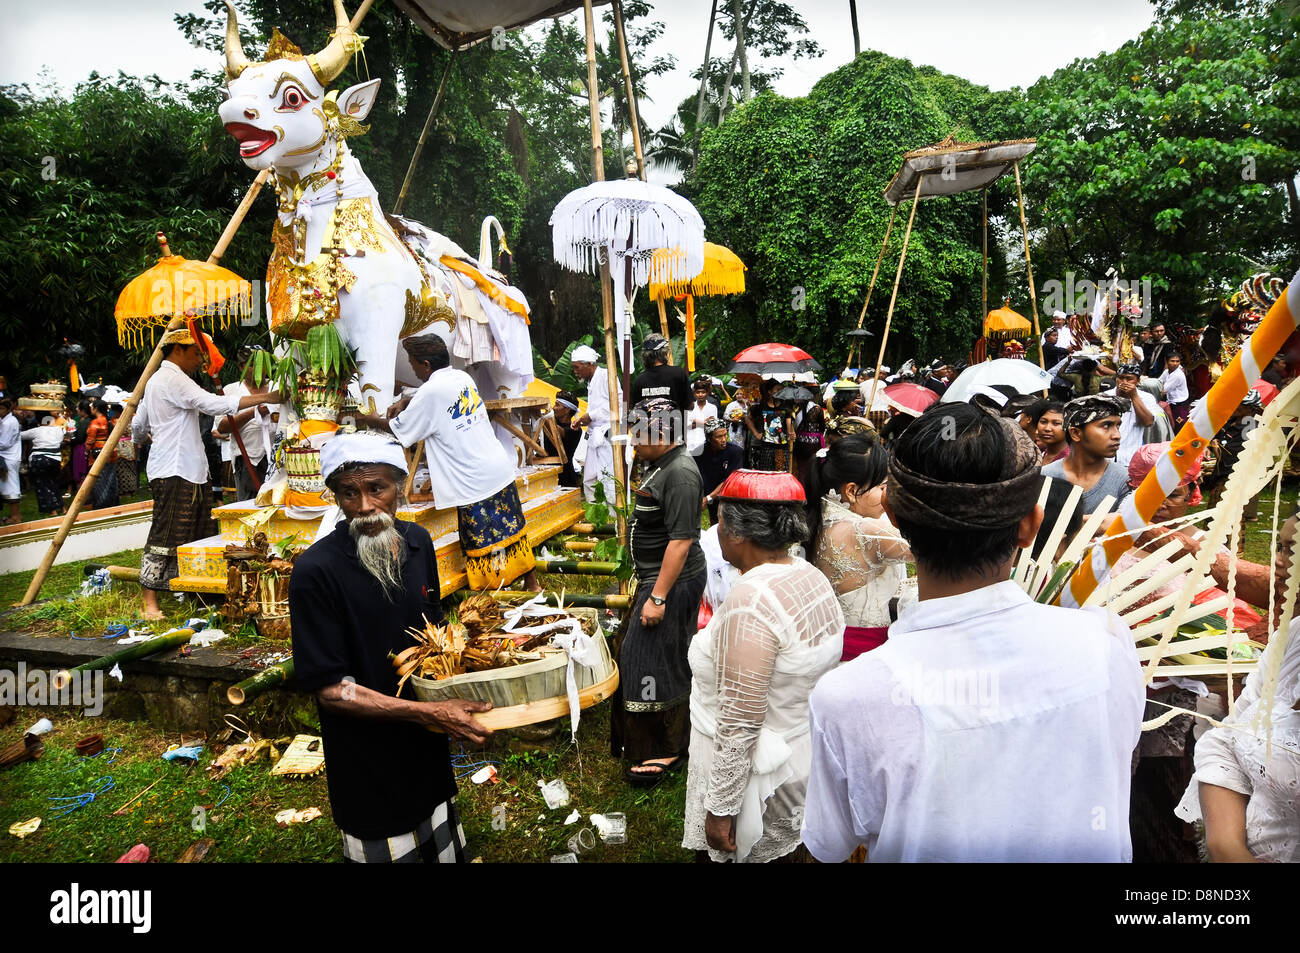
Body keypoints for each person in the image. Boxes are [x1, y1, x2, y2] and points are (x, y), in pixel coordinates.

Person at [801, 402, 1144, 862]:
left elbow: (829, 845)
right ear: (1029, 526)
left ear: (892, 516)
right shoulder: (1107, 644)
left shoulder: (849, 697)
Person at [289, 432, 492, 863]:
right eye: (348, 493)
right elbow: (330, 691)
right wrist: (431, 712)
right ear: (336, 497)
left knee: (437, 828)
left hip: (427, 743)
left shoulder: (419, 543)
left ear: (400, 485)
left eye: (376, 489)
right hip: (365, 751)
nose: (364, 507)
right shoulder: (314, 571)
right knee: (385, 838)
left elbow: (432, 636)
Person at [683, 468, 844, 862]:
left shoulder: (751, 601)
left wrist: (721, 810)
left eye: (718, 522)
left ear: (736, 532)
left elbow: (740, 720)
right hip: (799, 756)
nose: (716, 532)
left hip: (760, 782)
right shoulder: (809, 574)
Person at [363, 334, 540, 592]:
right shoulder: (461, 377)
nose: (413, 369)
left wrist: (364, 418)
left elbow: (397, 429)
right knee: (513, 528)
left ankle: (488, 595)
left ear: (425, 364)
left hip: (473, 478)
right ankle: (531, 583)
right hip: (498, 468)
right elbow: (438, 398)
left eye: (413, 364)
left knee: (479, 539)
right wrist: (407, 400)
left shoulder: (431, 391)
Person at [1173, 513, 1300, 862]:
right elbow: (1227, 737)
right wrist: (1227, 846)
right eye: (1279, 545)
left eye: (1292, 549)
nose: (1276, 560)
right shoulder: (1292, 637)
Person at [133, 325, 279, 620]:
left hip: (189, 468)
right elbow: (214, 405)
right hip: (174, 468)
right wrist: (268, 398)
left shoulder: (160, 381)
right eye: (196, 352)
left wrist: (143, 440)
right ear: (178, 350)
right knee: (166, 533)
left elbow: (138, 426)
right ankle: (149, 602)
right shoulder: (170, 379)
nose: (201, 359)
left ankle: (198, 595)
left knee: (198, 533)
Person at [613, 398, 708, 785]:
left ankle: (666, 747)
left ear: (662, 433)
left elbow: (682, 541)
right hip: (658, 580)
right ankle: (652, 742)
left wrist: (658, 597)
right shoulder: (661, 465)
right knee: (649, 653)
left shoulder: (681, 473)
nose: (634, 443)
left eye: (639, 436)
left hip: (672, 582)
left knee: (649, 657)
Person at [808, 435, 913, 661]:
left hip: (825, 646)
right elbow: (938, 548)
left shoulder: (816, 520)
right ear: (851, 491)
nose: (888, 495)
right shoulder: (866, 530)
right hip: (866, 650)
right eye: (883, 486)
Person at [1041, 394, 1132, 515]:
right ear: (1076, 433)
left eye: (1117, 426)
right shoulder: (1044, 477)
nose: (1117, 435)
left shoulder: (1125, 481)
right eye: (1106, 426)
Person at [216, 347, 274, 502]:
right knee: (251, 507)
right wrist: (252, 413)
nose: (258, 369)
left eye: (262, 363)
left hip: (278, 459)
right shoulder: (231, 390)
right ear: (240, 367)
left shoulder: (277, 387)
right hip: (248, 460)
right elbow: (221, 427)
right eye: (252, 364)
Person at [569, 345, 622, 510]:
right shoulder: (591, 382)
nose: (575, 371)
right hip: (594, 435)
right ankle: (595, 515)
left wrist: (590, 416)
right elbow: (597, 409)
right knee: (590, 478)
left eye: (577, 368)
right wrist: (583, 420)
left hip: (607, 434)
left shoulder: (607, 376)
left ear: (588, 365)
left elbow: (617, 405)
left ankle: (615, 517)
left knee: (608, 478)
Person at [1101, 362, 1164, 466]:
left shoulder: (1147, 398)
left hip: (1130, 459)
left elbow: (1148, 422)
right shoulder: (1105, 397)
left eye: (1129, 379)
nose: (1124, 382)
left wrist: (1134, 396)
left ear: (1138, 381)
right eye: (1121, 378)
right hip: (1105, 459)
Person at [697, 418, 744, 525]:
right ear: (709, 438)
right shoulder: (700, 453)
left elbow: (729, 481)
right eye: (719, 436)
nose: (724, 439)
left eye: (725, 435)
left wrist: (708, 498)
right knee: (714, 525)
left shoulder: (735, 452)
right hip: (710, 496)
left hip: (729, 497)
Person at [629, 333, 691, 412]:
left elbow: (637, 409)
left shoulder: (639, 380)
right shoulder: (678, 373)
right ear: (665, 352)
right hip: (676, 423)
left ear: (645, 355)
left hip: (648, 424)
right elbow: (689, 404)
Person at [20, 415, 68, 516]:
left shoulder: (37, 430)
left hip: (40, 459)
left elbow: (20, 435)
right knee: (53, 483)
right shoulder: (59, 430)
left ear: (41, 423)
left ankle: (52, 510)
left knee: (43, 485)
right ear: (52, 422)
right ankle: (63, 508)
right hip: (55, 460)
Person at [744, 379, 793, 471]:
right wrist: (756, 434)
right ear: (769, 392)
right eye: (777, 390)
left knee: (781, 473)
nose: (780, 392)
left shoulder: (785, 407)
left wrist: (791, 433)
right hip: (766, 447)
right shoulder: (761, 406)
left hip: (782, 448)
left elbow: (789, 424)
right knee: (766, 473)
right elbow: (748, 418)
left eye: (781, 390)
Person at [540, 390, 583, 489]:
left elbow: (557, 431)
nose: (553, 408)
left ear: (567, 410)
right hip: (548, 475)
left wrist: (542, 415)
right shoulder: (549, 423)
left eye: (557, 405)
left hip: (565, 477)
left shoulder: (575, 429)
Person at [84, 400, 120, 510]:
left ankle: (101, 502)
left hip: (98, 452)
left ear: (95, 408)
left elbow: (90, 440)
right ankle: (112, 501)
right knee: (110, 476)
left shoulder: (96, 422)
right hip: (111, 451)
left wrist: (87, 450)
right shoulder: (110, 421)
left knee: (100, 478)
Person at [1027, 398, 1068, 464]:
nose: (1047, 428)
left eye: (1056, 423)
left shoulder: (1071, 461)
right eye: (1043, 422)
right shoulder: (1038, 455)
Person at [0, 398, 21, 524]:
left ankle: (16, 517)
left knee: (11, 487)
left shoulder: (9, 422)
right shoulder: (5, 420)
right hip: (6, 456)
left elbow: (4, 443)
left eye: (2, 408)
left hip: (9, 458)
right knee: (6, 487)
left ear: (8, 409)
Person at [1160, 351, 1190, 427]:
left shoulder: (1177, 375)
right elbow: (1159, 382)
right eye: (1172, 361)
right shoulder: (1166, 372)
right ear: (1166, 362)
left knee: (1178, 426)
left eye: (1177, 361)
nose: (1175, 363)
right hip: (1172, 403)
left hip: (1179, 406)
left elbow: (1163, 391)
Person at [685, 379, 714, 457]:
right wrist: (704, 422)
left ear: (707, 393)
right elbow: (687, 426)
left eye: (703, 392)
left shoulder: (712, 408)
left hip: (706, 443)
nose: (700, 395)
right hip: (690, 443)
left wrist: (694, 421)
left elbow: (712, 426)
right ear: (694, 393)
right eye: (698, 392)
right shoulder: (689, 406)